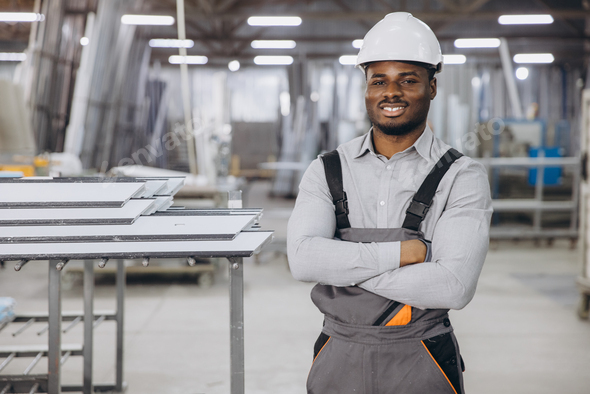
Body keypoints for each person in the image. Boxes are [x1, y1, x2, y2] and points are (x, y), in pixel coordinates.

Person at [287, 12, 493, 394]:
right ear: (366, 89)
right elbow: (302, 260)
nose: (391, 92)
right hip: (338, 357)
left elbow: (453, 287)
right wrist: (407, 254)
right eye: (378, 81)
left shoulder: (462, 176)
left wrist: (342, 266)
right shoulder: (328, 169)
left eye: (408, 80)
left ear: (432, 87)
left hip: (422, 360)